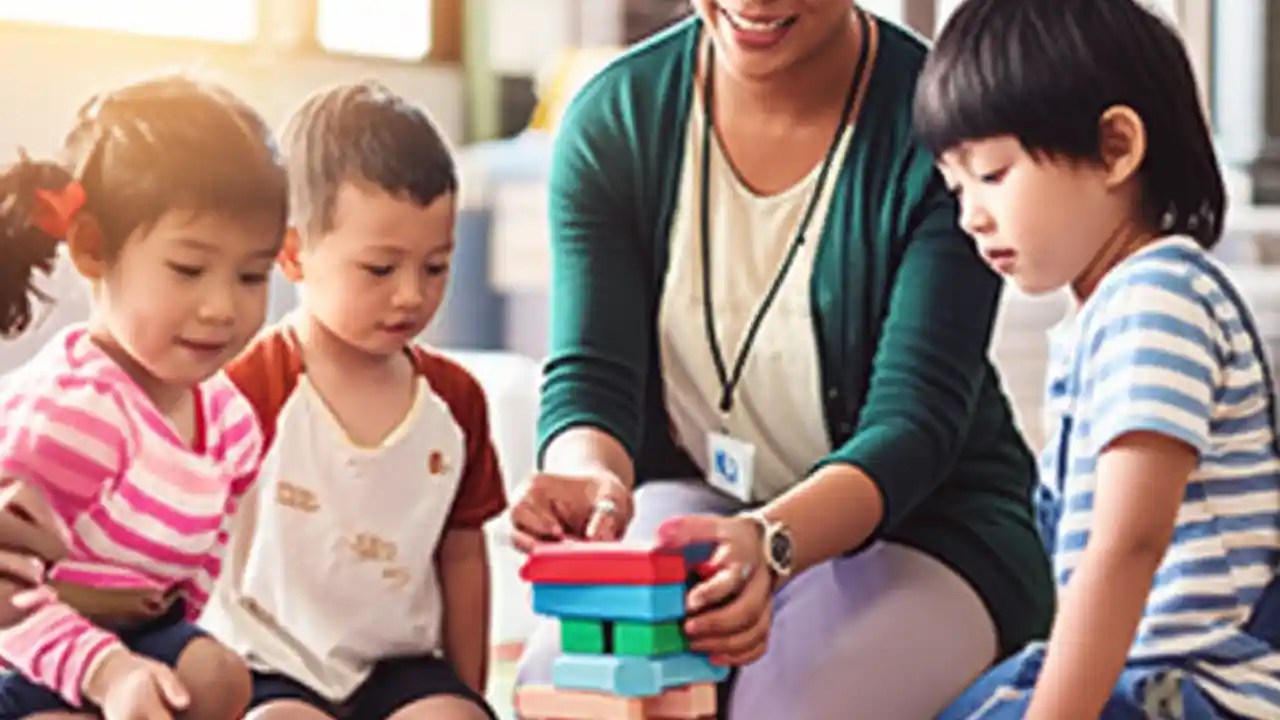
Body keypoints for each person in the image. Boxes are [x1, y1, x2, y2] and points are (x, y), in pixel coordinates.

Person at [509, 2, 1055, 717]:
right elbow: (592, 378)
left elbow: (914, 427)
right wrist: (590, 478)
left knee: (782, 706)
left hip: (926, 523)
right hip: (706, 494)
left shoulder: (939, 123)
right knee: (567, 684)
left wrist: (771, 542)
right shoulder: (617, 117)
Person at [914, 0, 1280, 717]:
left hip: (1195, 689)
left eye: (992, 174)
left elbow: (1128, 543)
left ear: (1116, 147)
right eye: (956, 187)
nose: (970, 215)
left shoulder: (1156, 302)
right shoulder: (1112, 309)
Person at [199, 81, 506, 720]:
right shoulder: (248, 386)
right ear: (292, 253)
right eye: (379, 269)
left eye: (435, 267)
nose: (410, 297)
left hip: (402, 669)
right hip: (270, 665)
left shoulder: (455, 400)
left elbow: (463, 552)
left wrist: (467, 689)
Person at [0, 75, 287, 719]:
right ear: (95, 248)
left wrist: (143, 658)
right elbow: (8, 602)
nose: (222, 308)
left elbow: (191, 585)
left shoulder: (231, 423)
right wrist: (109, 676)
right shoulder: (75, 413)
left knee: (218, 677)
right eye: (188, 270)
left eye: (251, 276)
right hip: (22, 650)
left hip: (127, 636)